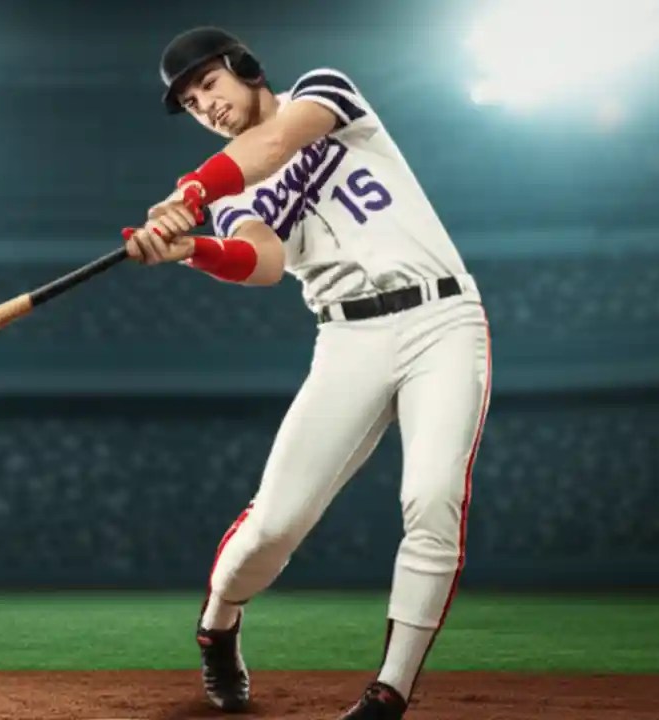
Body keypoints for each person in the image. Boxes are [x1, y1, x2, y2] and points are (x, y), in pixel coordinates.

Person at [122, 27, 493, 719]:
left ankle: (390, 693)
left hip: (442, 320)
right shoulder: (233, 192)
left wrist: (190, 192)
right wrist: (189, 249)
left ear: (245, 68)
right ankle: (219, 624)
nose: (206, 105)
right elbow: (259, 263)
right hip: (349, 338)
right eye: (191, 101)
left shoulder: (324, 92)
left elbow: (270, 145)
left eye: (209, 84)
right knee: (276, 524)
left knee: (433, 495)